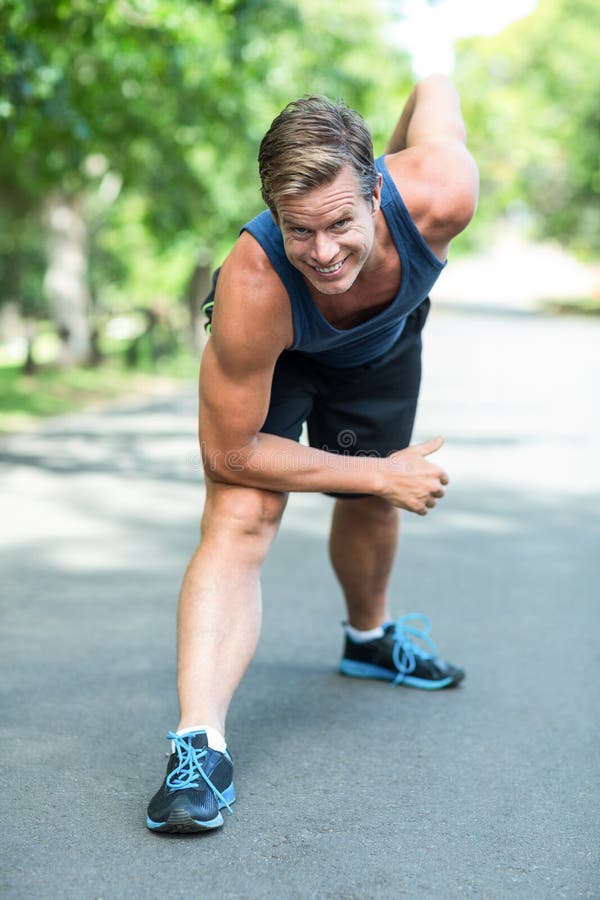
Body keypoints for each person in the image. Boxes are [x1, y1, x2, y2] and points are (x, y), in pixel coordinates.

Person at [146, 74, 479, 833]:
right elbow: (231, 454)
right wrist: (380, 471)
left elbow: (435, 84)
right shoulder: (258, 283)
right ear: (274, 215)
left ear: (375, 189)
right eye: (299, 230)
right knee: (243, 512)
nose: (323, 253)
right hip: (284, 351)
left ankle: (369, 640)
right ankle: (198, 748)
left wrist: (374, 478)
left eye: (338, 223)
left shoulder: (442, 191)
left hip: (384, 340)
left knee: (368, 500)